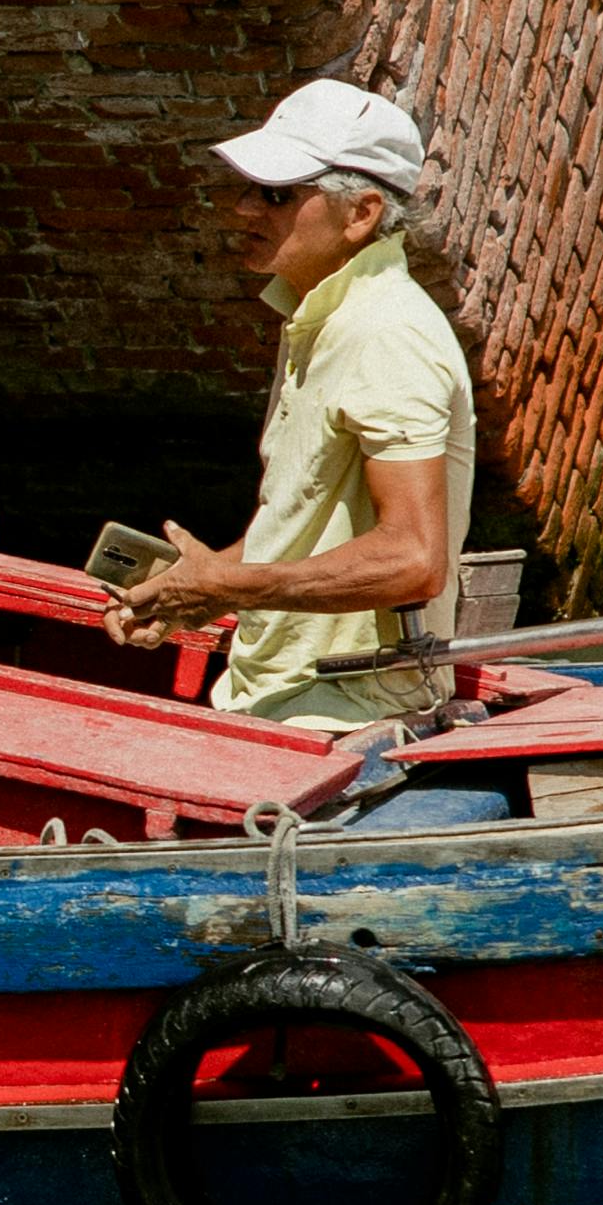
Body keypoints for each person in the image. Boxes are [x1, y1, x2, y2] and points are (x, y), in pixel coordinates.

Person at [111, 80, 474, 729]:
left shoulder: (384, 332)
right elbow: (296, 521)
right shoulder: (319, 313)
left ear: (361, 213)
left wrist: (222, 586)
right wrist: (186, 591)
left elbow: (414, 559)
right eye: (249, 188)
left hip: (338, 716)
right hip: (277, 701)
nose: (244, 210)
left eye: (276, 194)